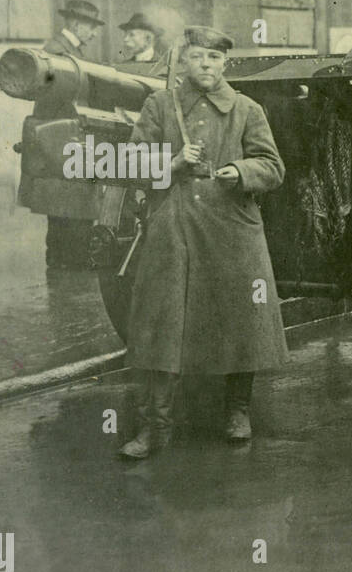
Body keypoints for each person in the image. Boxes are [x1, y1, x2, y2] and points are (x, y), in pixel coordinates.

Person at [118, 26, 288, 459]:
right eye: (198, 58)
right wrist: (173, 163)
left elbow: (272, 166)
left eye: (214, 59)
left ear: (225, 63)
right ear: (185, 61)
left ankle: (237, 411)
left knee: (239, 320)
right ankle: (155, 428)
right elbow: (132, 164)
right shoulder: (159, 105)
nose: (206, 66)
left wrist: (239, 171)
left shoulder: (247, 109)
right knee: (161, 323)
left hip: (231, 227)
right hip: (172, 226)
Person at [37, 0, 104, 267]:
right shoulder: (57, 52)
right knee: (66, 198)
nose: (95, 33)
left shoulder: (67, 50)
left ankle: (65, 258)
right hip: (63, 134)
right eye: (92, 26)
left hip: (66, 133)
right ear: (77, 24)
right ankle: (69, 259)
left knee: (66, 198)